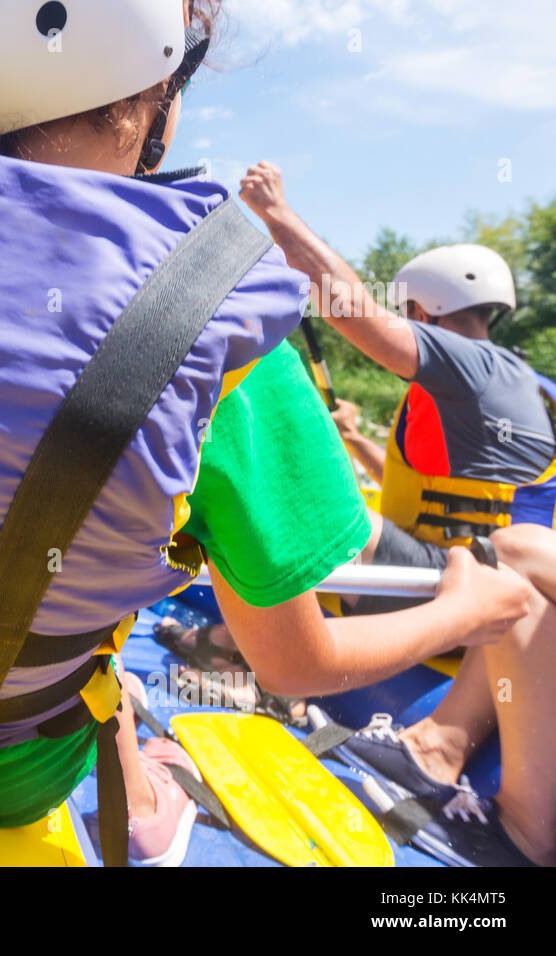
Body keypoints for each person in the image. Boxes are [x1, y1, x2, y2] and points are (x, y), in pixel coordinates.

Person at [0, 0, 532, 867]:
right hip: (5, 775)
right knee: (107, 649)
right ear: (155, 87)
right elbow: (296, 666)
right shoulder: (214, 309)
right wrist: (468, 607)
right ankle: (143, 791)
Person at [221, 161, 556, 865]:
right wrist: (362, 440)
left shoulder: (473, 363)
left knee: (323, 524)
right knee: (349, 513)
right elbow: (431, 487)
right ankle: (251, 646)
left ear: (423, 311)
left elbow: (352, 311)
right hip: (465, 566)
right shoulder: (505, 379)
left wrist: (279, 218)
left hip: (473, 586)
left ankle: (244, 647)